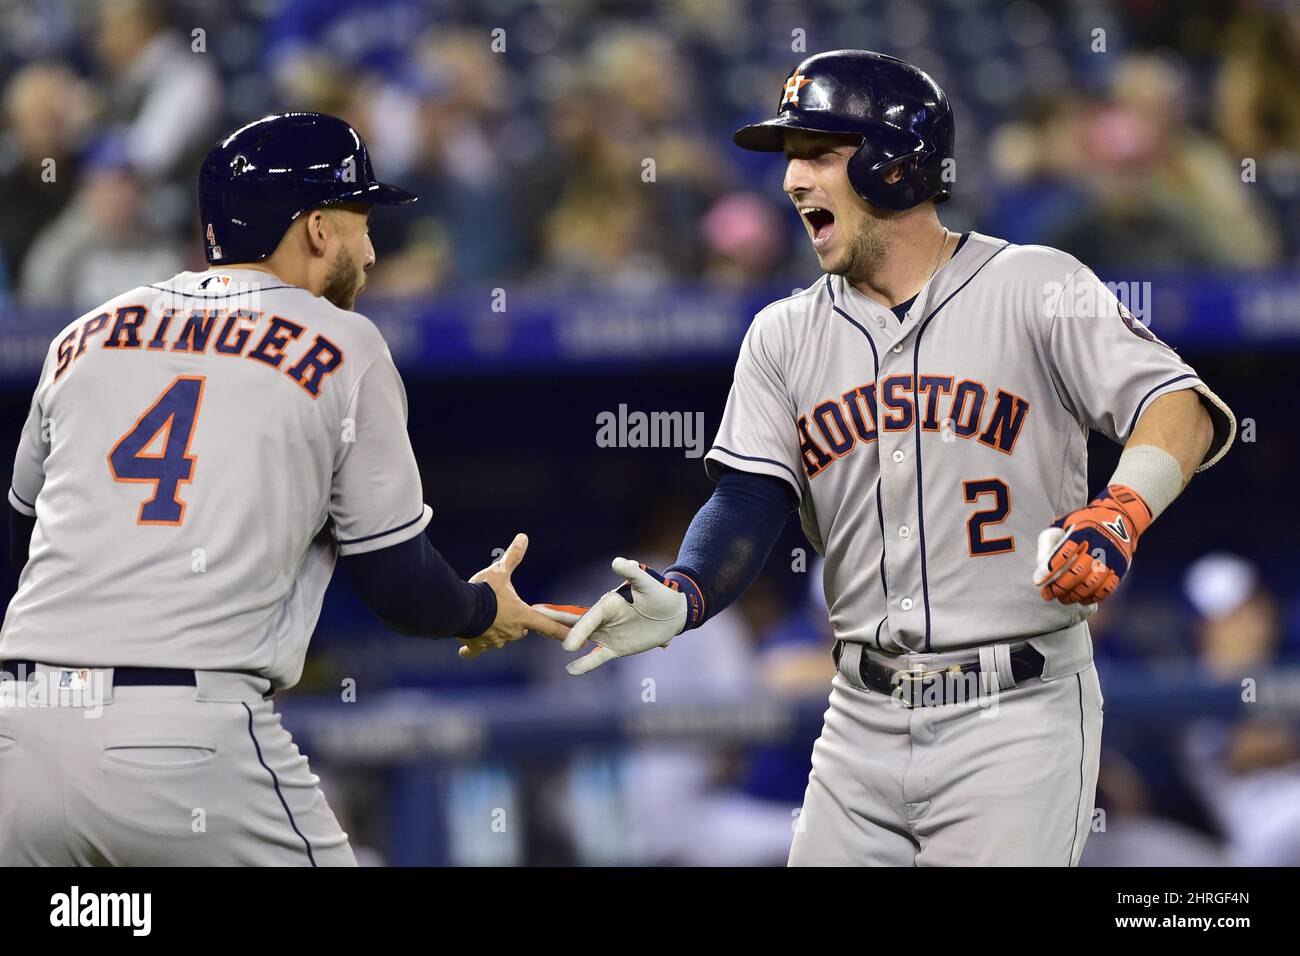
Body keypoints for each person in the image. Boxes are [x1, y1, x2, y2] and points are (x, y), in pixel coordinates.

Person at [538, 51, 1236, 866]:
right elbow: (749, 499)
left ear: (893, 163)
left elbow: (1176, 407)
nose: (793, 181)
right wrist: (690, 588)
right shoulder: (783, 334)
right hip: (859, 719)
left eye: (818, 154)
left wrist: (1121, 510)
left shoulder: (1036, 284)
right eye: (789, 158)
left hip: (1015, 712)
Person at [0, 112, 566, 866]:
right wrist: (480, 609)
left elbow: (22, 541)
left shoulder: (85, 333)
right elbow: (399, 584)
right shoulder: (344, 344)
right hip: (185, 741)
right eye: (362, 221)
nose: (371, 248)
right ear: (318, 229)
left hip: (21, 731)